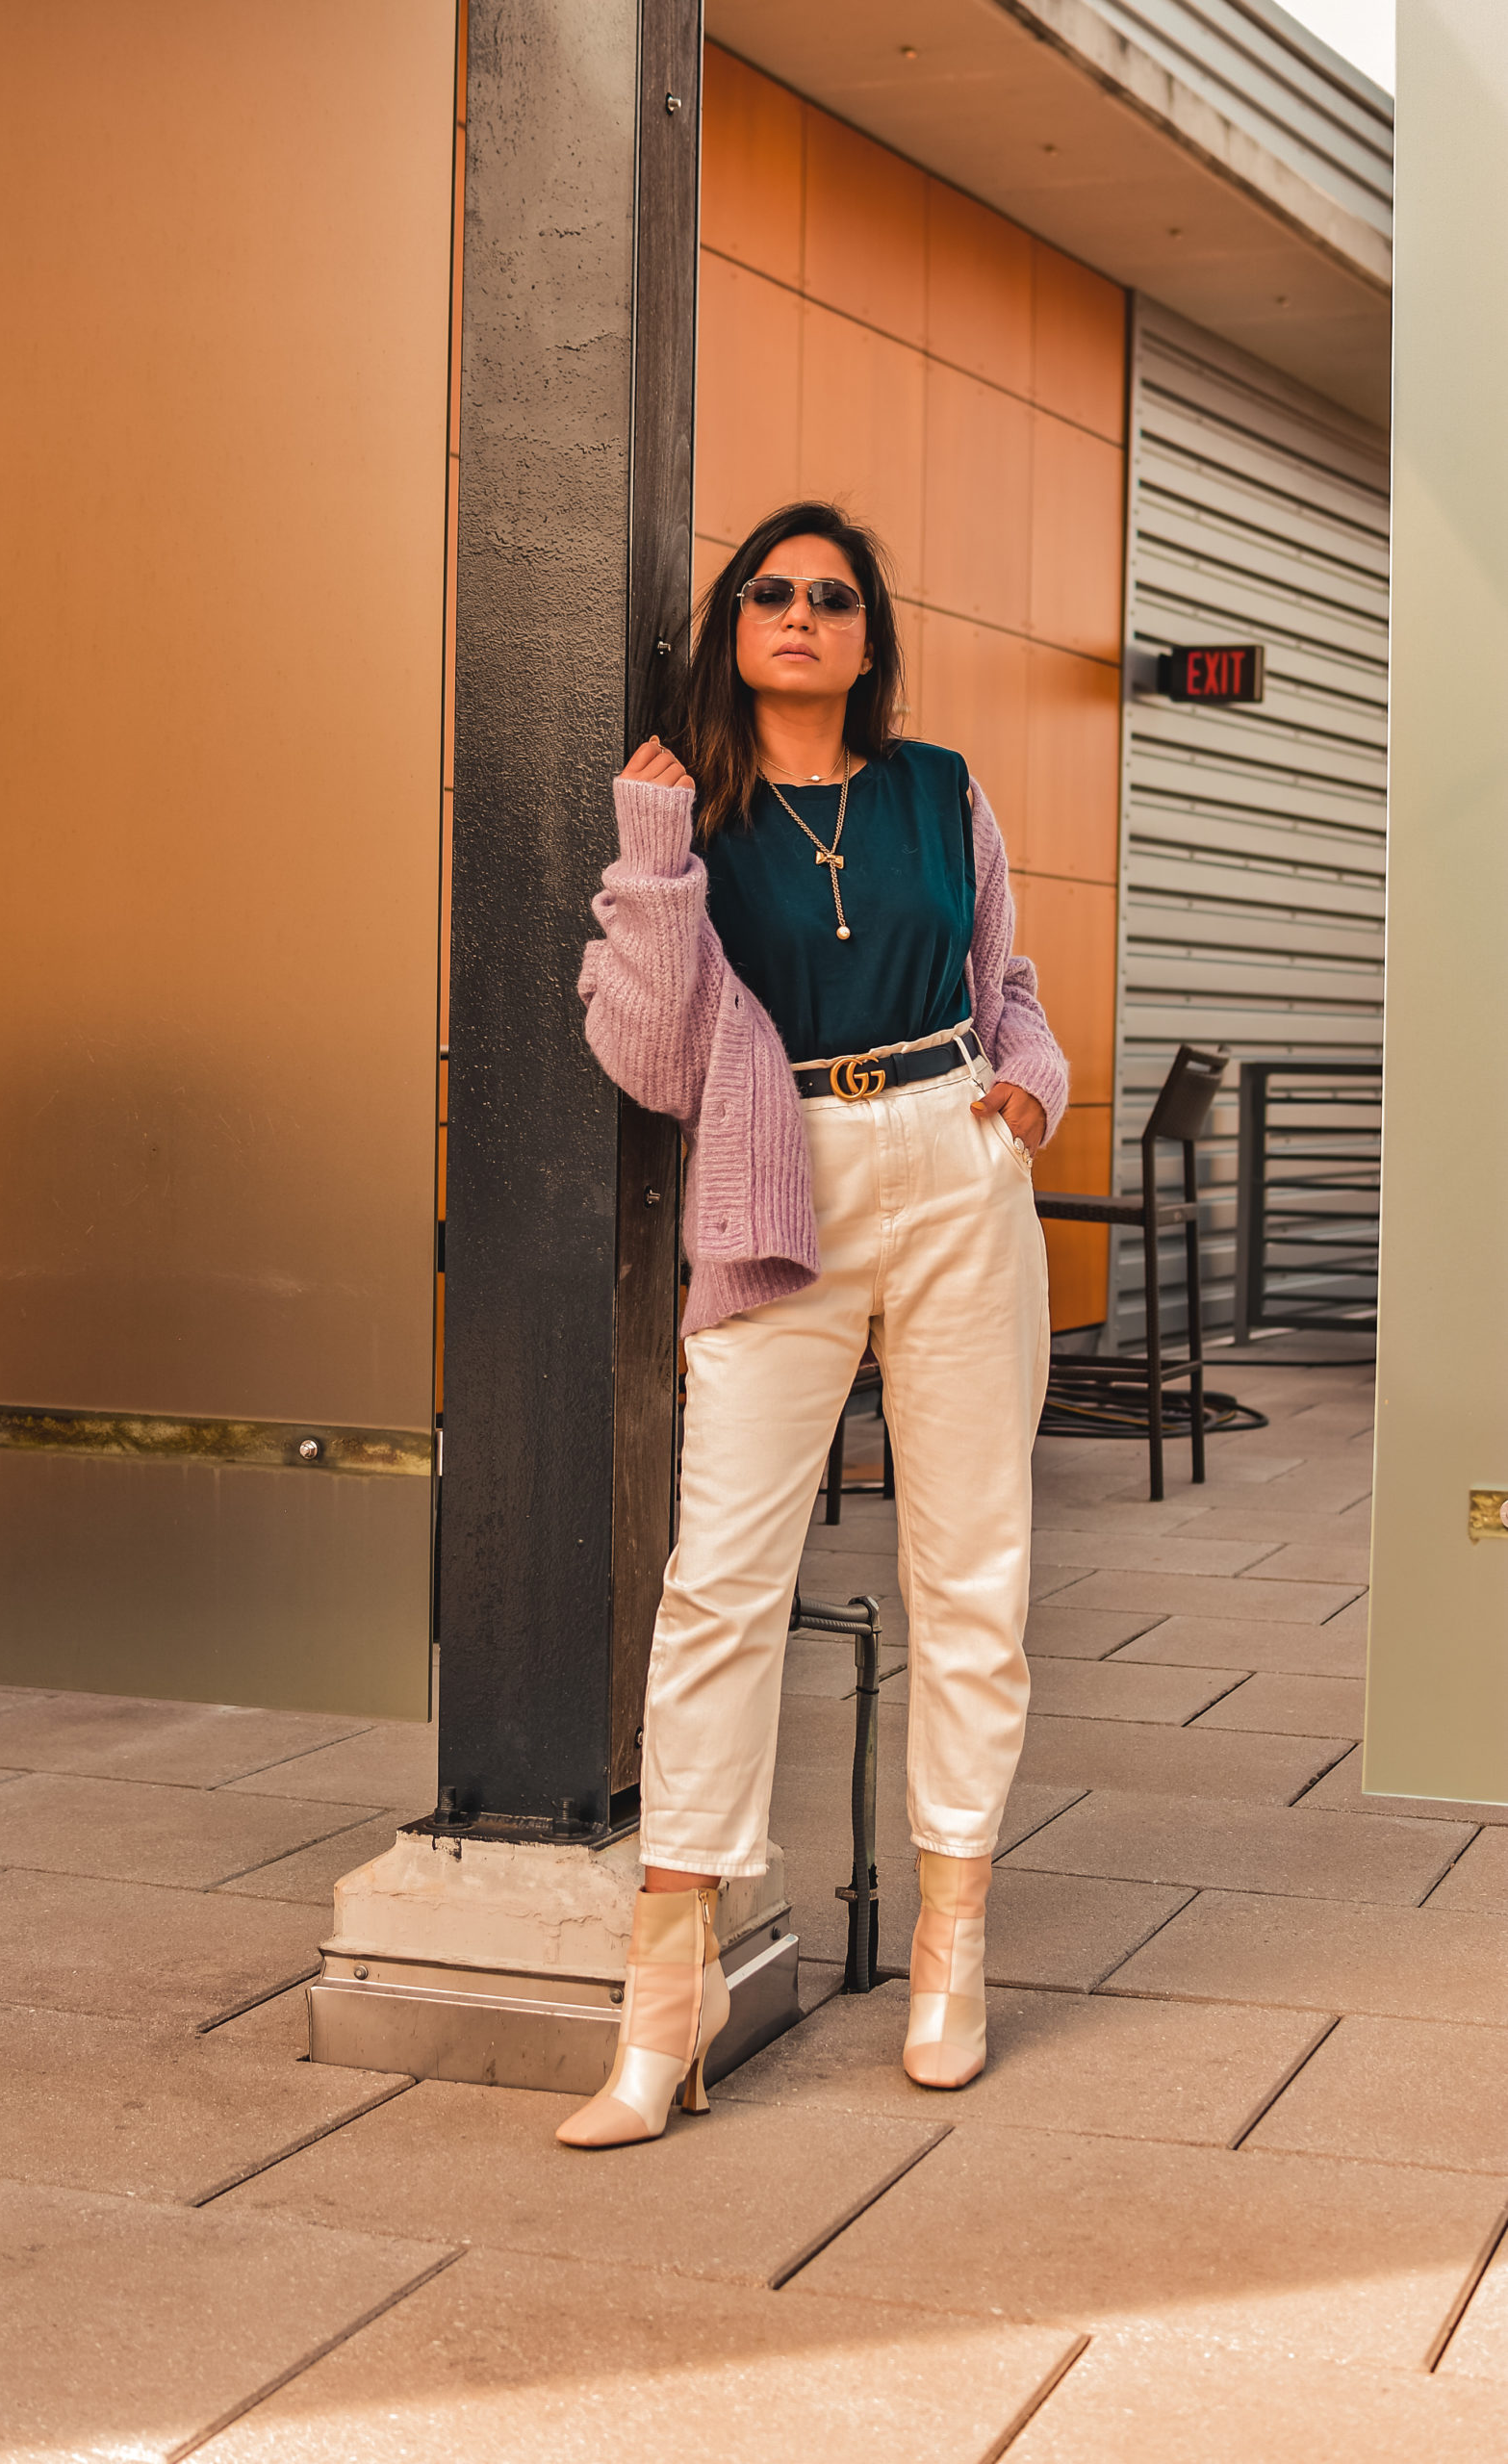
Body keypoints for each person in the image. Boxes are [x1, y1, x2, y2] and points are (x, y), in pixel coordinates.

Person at [559, 500, 1067, 2150]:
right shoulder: (686, 814)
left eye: (831, 598)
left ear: (868, 636)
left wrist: (1026, 1096)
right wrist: (647, 862)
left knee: (970, 1568)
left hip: (952, 1156)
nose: (798, 616)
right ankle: (667, 1989)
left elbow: (1009, 979)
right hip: (781, 1188)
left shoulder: (939, 790)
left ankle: (952, 1946)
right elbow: (644, 1059)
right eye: (768, 594)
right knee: (722, 1580)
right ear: (733, 626)